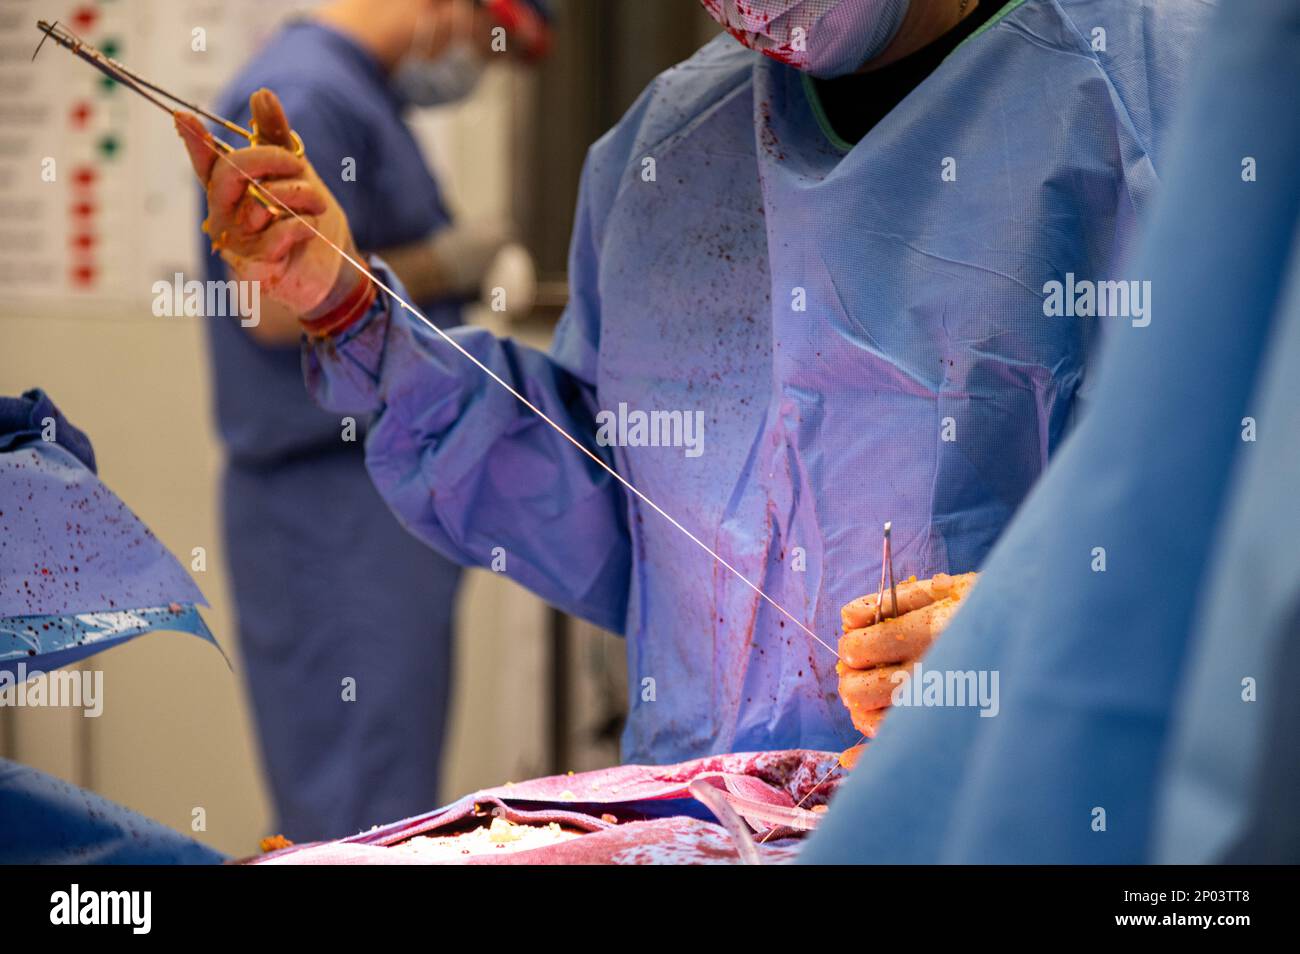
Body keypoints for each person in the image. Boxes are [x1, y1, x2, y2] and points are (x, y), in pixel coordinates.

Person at [176, 0, 1212, 767]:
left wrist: (1051, 624)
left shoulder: (1167, 102)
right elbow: (606, 504)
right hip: (705, 814)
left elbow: (1250, 525)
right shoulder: (666, 149)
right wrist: (352, 312)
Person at [198, 0, 551, 840]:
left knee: (386, 809)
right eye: (487, 39)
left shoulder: (353, 94)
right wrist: (444, 262)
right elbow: (274, 309)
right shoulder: (302, 95)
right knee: (355, 825)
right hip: (330, 517)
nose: (476, 62)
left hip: (367, 506)